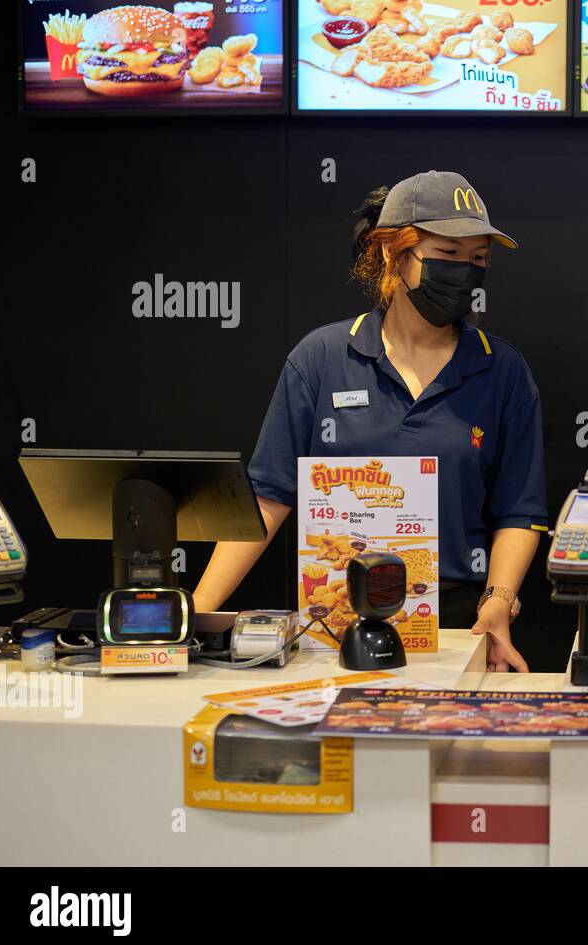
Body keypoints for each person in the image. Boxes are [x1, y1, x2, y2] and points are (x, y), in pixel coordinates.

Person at [193, 171, 548, 672]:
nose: (465, 272)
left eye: (478, 260)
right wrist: (196, 616)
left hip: (454, 627)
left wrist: (499, 602)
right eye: (448, 254)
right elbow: (269, 496)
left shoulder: (502, 370)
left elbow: (518, 511)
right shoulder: (320, 358)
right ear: (392, 251)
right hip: (331, 622)